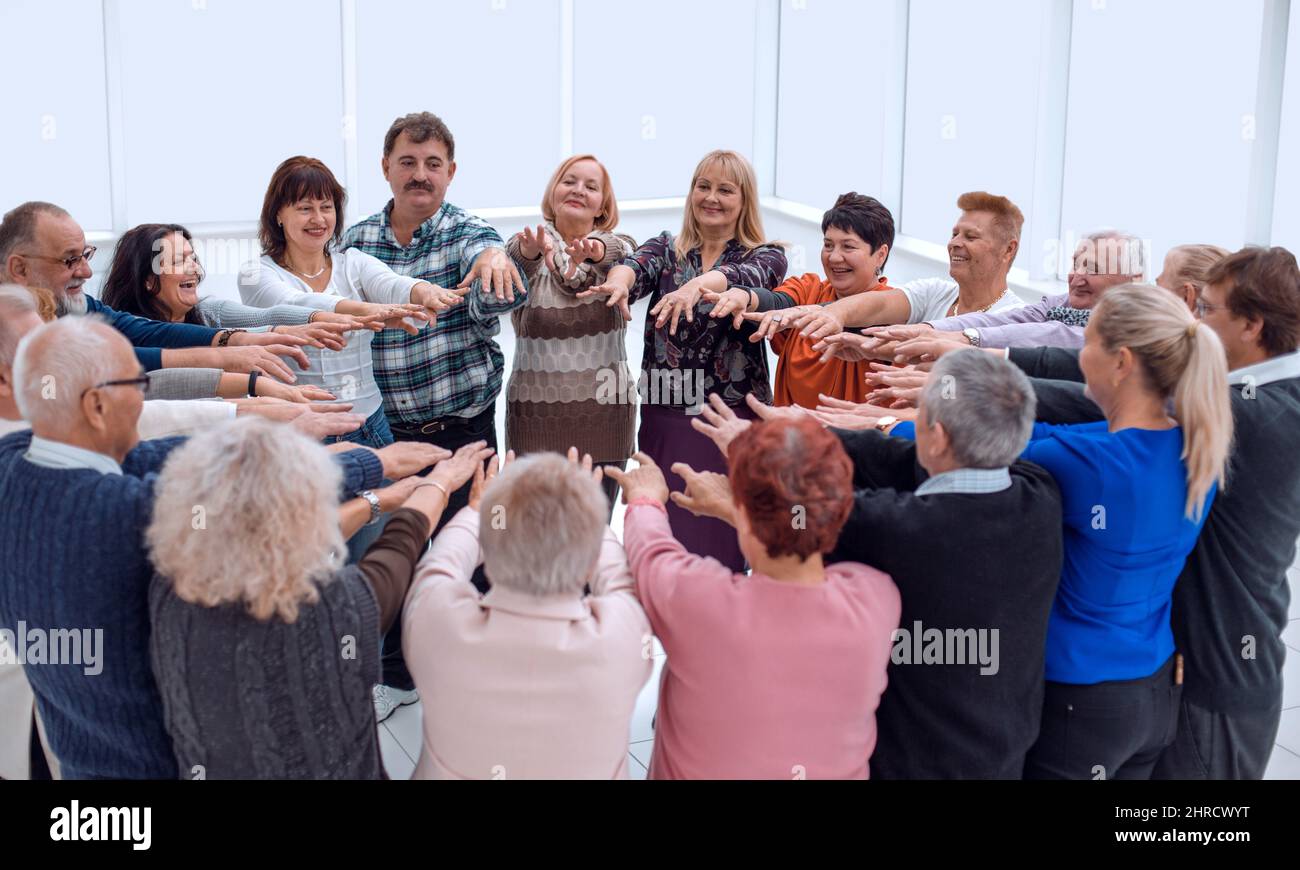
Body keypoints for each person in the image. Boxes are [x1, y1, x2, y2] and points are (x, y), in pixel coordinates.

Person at [0, 315, 449, 778]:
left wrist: (289, 439)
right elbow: (239, 504)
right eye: (137, 382)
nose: (145, 396)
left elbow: (150, 457)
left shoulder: (13, 464)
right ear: (95, 406)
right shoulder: (122, 513)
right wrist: (373, 466)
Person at [683, 350, 1063, 779]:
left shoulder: (899, 529)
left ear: (935, 436)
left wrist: (749, 459)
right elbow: (905, 460)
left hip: (915, 757)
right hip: (1006, 745)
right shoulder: (1040, 493)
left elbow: (807, 516)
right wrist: (807, 432)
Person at [1008, 246, 1300, 779]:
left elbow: (1116, 398)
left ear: (1253, 325)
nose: (1191, 321)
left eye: (1206, 310)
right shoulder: (1255, 399)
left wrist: (984, 387)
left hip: (1217, 682)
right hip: (1181, 679)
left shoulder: (1258, 412)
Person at [146, 418, 490, 779]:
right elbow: (400, 546)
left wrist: (379, 495)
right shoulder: (332, 611)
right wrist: (443, 483)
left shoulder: (167, 595)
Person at [990, 284, 1232, 779]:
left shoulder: (1093, 461)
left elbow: (976, 446)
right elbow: (1057, 437)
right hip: (1153, 692)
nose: (1081, 357)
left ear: (1121, 361)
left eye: (1089, 343)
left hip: (1080, 699)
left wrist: (888, 424)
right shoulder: (1195, 445)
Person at [340, 113, 531, 714]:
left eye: (433, 164)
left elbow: (493, 272)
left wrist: (504, 262)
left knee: (471, 542)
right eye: (408, 162)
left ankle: (469, 667)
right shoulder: (357, 243)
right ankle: (397, 674)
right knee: (396, 547)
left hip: (463, 426)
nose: (420, 176)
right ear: (386, 167)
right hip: (386, 430)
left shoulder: (470, 235)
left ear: (451, 171)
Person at [607, 421, 899, 779]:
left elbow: (651, 553)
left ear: (741, 507)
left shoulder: (699, 601)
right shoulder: (877, 600)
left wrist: (645, 498)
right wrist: (745, 514)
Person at [581, 149, 788, 571]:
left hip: (729, 420)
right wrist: (619, 284)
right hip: (666, 414)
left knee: (722, 537)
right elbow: (632, 266)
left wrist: (695, 288)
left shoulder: (765, 256)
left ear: (743, 200)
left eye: (725, 190)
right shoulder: (666, 247)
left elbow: (743, 280)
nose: (711, 197)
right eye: (703, 186)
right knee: (665, 533)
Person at [403, 449, 652, 779]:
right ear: (590, 563)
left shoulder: (433, 618)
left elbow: (441, 563)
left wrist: (479, 512)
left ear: (486, 558)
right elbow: (618, 578)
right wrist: (588, 516)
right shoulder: (626, 634)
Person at [239, 156, 464, 451]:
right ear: (279, 214)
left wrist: (423, 291)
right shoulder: (255, 274)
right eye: (305, 208)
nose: (318, 219)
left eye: (326, 207)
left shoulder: (353, 263)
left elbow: (391, 283)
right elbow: (294, 305)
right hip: (298, 432)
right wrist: (369, 311)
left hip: (368, 425)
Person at [0, 201, 312, 378]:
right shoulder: (12, 327)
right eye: (70, 260)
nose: (85, 270)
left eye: (86, 255)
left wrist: (235, 340)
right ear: (19, 269)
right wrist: (225, 362)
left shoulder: (74, 304)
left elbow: (138, 331)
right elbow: (113, 359)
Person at [503, 155, 637, 509]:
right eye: (570, 181)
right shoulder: (525, 248)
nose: (579, 190)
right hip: (534, 426)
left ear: (602, 206)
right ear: (553, 193)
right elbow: (513, 260)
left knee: (593, 543)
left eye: (591, 187)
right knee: (533, 543)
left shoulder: (618, 254)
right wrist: (530, 254)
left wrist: (593, 252)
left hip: (604, 426)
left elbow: (622, 252)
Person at [766, 191, 1028, 345]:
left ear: (1008, 249)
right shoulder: (934, 292)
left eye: (970, 237)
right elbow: (878, 304)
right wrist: (836, 314)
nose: (955, 244)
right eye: (954, 234)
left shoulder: (1018, 318)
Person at [731, 192, 899, 409]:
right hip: (791, 438)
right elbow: (776, 302)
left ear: (881, 254)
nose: (834, 257)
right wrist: (745, 296)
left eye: (848, 246)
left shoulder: (895, 308)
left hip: (860, 440)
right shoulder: (808, 289)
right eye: (828, 245)